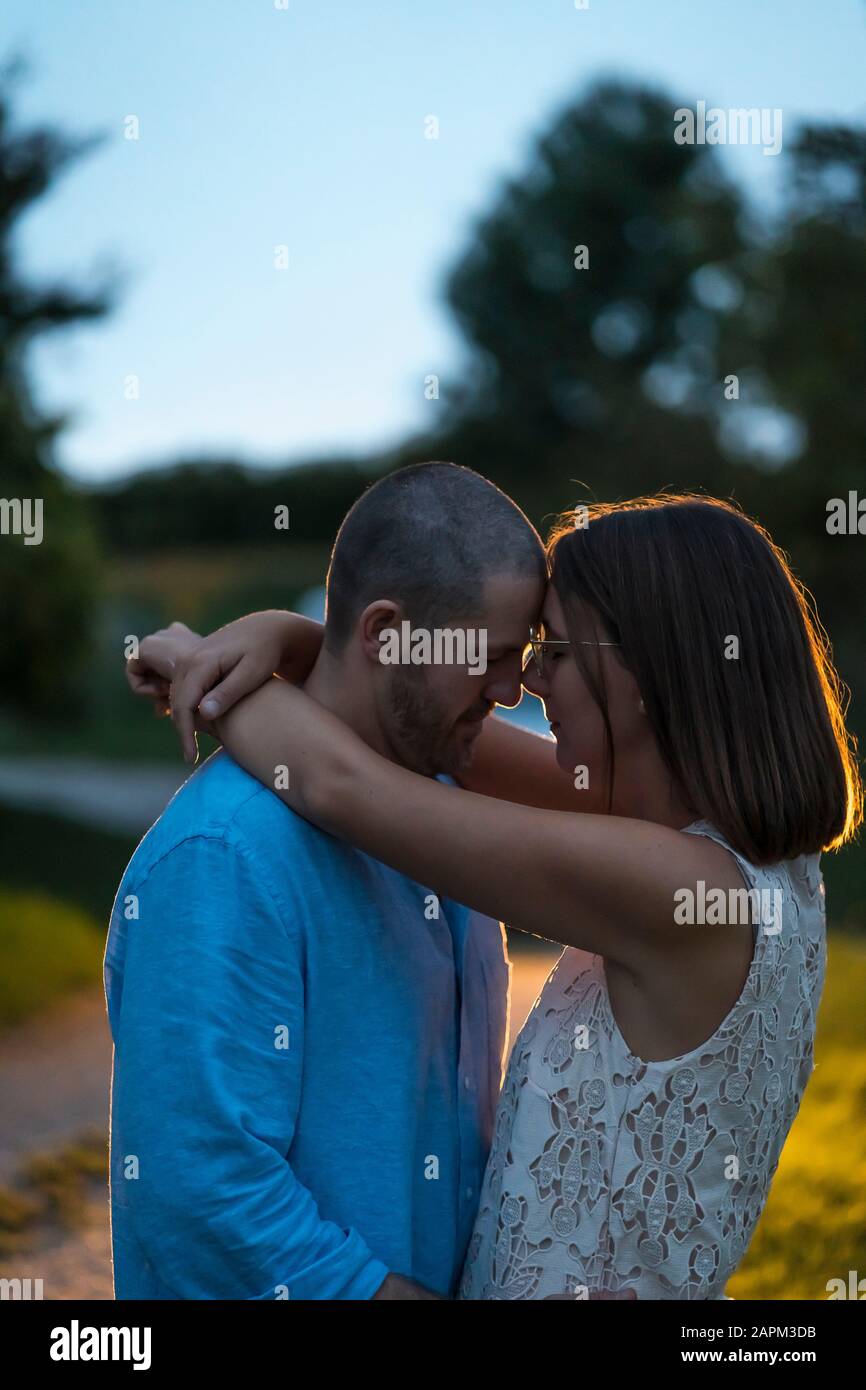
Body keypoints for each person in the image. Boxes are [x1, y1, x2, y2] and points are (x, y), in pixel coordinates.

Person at [139, 492, 862, 1300]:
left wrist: (203, 665)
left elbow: (339, 783)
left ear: (646, 675)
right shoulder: (752, 863)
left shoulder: (674, 889)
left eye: (554, 649)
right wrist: (306, 637)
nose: (527, 683)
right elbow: (438, 733)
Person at [107, 460, 548, 1300]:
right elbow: (200, 1195)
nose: (511, 688)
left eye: (522, 657)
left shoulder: (448, 814)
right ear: (387, 634)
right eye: (490, 657)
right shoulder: (224, 854)